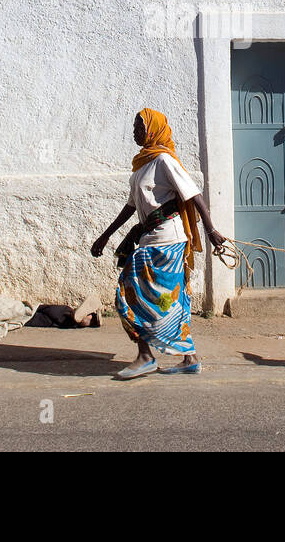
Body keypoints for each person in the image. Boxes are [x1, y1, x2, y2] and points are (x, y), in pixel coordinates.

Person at [91, 108, 226, 379]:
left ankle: (145, 356)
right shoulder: (142, 165)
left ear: (152, 130)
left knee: (129, 292)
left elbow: (194, 195)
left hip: (168, 241)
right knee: (171, 300)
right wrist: (106, 235)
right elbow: (131, 207)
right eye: (134, 127)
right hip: (149, 238)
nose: (134, 132)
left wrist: (211, 230)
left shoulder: (164, 160)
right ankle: (189, 358)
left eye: (139, 127)